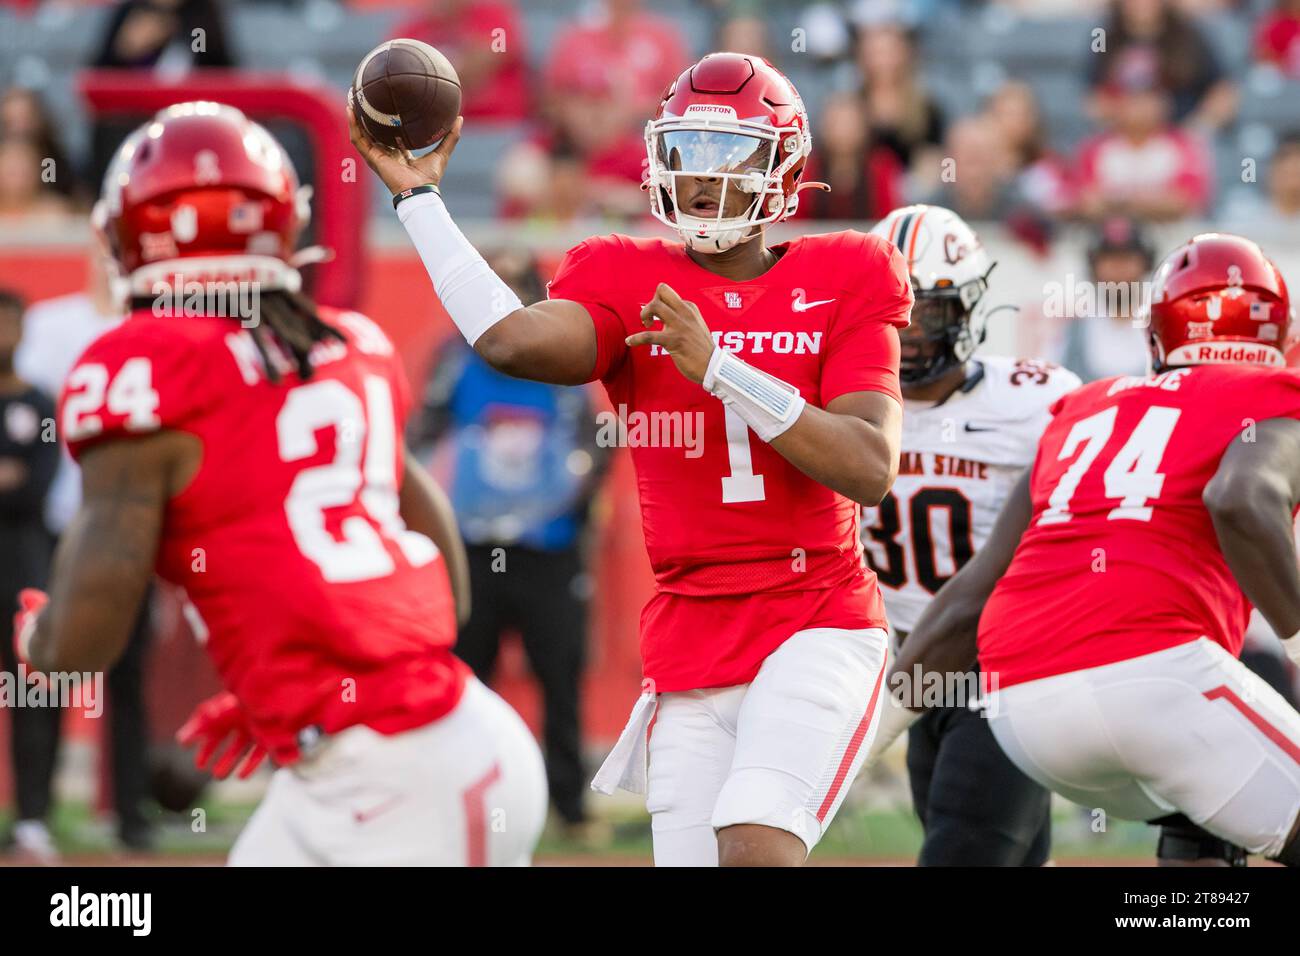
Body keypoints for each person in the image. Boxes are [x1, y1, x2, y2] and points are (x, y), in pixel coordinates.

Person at [351, 52, 912, 867]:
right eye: (690, 153)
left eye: (733, 155)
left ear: (784, 166)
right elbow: (507, 338)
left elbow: (868, 464)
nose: (705, 178)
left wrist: (720, 368)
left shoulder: (847, 272)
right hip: (690, 633)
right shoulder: (627, 273)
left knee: (756, 846)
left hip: (816, 618)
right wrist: (417, 198)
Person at [12, 102, 547, 866]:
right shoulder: (345, 344)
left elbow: (82, 641)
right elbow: (445, 584)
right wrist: (294, 684)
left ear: (132, 234)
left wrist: (39, 635)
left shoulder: (144, 371)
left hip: (402, 775)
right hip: (412, 746)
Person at [883, 233, 1300, 867]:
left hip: (1024, 712)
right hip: (1158, 682)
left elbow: (972, 592)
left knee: (1204, 810)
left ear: (1157, 335)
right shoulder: (1273, 396)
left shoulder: (1081, 409)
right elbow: (1240, 498)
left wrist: (855, 747)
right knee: (1208, 765)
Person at [861, 205, 1080, 866]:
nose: (904, 332)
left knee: (962, 849)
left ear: (965, 307)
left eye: (923, 311)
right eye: (888, 314)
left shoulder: (1034, 400)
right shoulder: (838, 406)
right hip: (910, 661)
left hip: (1004, 663)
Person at [410, 250, 610, 838]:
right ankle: (459, 803)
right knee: (466, 684)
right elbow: (420, 438)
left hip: (548, 551)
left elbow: (599, 442)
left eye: (515, 289)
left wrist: (561, 506)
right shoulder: (453, 363)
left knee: (560, 676)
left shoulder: (560, 357)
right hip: (472, 549)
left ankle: (570, 810)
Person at [16, 245, 157, 851]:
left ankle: (130, 817)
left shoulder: (156, 327)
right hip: (60, 524)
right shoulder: (50, 325)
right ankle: (34, 816)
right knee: (45, 672)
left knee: (128, 676)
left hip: (133, 525)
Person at [0, 290, 59, 863]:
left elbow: (36, 487)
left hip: (23, 577)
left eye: (11, 323)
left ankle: (34, 822)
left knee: (34, 696)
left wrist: (17, 480)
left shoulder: (40, 402)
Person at [1056, 217, 1155, 382]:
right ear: (1093, 268)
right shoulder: (1075, 327)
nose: (1118, 267)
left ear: (1145, 264)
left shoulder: (1162, 327)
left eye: (1127, 258)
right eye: (1109, 258)